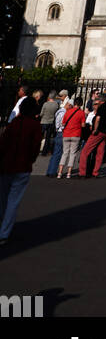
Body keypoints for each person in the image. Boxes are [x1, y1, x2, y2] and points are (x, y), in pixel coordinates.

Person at [0, 97, 42, 245]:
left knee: (3, 199)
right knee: (13, 201)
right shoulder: (35, 125)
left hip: (6, 165)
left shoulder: (13, 124)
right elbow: (35, 147)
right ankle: (4, 232)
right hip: (23, 166)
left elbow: (3, 144)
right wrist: (30, 160)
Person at [78, 90, 106, 179]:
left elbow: (98, 118)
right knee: (100, 153)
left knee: (85, 151)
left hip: (98, 132)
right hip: (104, 133)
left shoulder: (102, 107)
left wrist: (95, 129)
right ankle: (95, 172)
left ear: (101, 101)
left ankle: (82, 172)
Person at [57, 97, 86, 179]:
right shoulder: (81, 113)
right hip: (76, 134)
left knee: (64, 153)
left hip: (66, 134)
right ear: (81, 104)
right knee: (73, 153)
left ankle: (60, 172)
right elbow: (83, 125)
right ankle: (69, 173)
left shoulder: (68, 112)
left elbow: (63, 123)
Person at [46, 91, 71, 177]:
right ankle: (52, 171)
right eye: (69, 105)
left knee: (55, 153)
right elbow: (61, 123)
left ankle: (50, 170)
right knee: (58, 153)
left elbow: (57, 123)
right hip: (61, 133)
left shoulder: (60, 111)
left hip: (58, 132)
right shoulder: (63, 112)